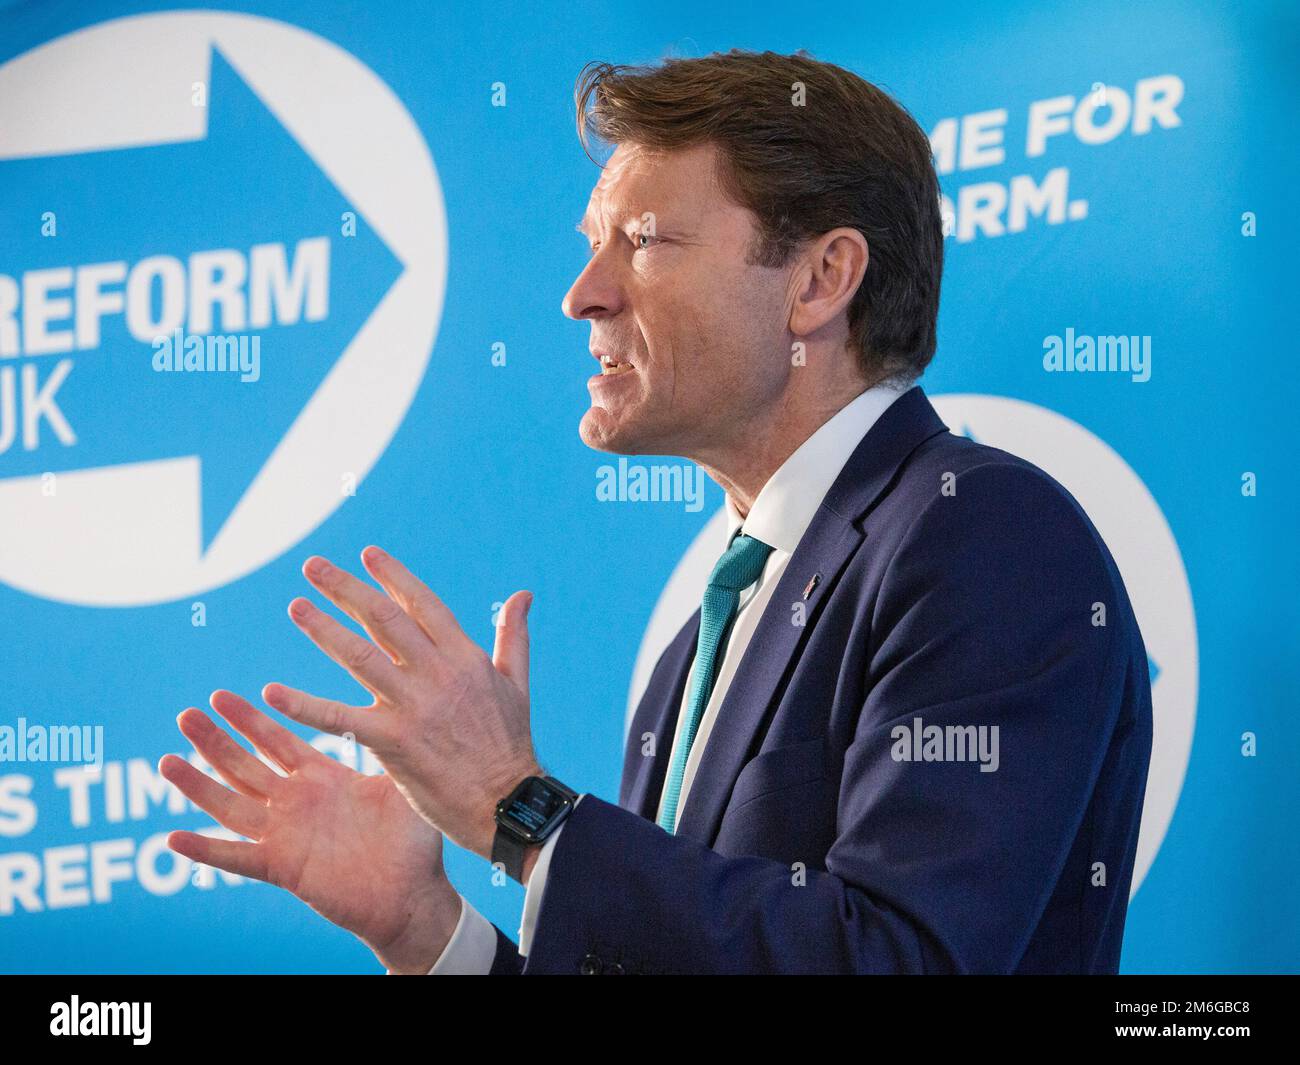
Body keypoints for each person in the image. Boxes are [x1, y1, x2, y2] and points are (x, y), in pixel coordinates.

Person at [160, 50, 1153, 975]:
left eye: (641, 243)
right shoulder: (698, 646)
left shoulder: (982, 536)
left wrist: (520, 809)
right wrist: (427, 931)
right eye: (594, 248)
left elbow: (897, 957)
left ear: (818, 280)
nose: (582, 296)